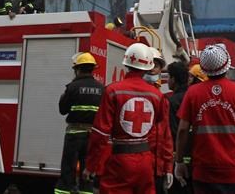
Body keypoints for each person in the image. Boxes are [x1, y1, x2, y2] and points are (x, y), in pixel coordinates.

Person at [175, 44, 235, 194]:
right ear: (226, 66)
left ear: (203, 68)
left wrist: (179, 162)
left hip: (204, 173)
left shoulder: (192, 93)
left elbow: (183, 130)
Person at [87, 43, 173, 193]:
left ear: (126, 63)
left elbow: (100, 133)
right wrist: (166, 166)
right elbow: (162, 131)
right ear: (148, 66)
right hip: (146, 162)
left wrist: (91, 165)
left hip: (119, 159)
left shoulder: (113, 91)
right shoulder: (158, 96)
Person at [56, 52, 104, 194]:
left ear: (77, 69)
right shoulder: (101, 89)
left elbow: (62, 110)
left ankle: (64, 191)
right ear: (92, 69)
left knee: (67, 170)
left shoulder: (72, 87)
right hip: (92, 137)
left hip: (74, 135)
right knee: (87, 172)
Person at [165, 62, 190, 193]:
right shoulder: (194, 96)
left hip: (178, 159)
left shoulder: (173, 101)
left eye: (169, 77)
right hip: (197, 159)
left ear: (174, 79)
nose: (168, 80)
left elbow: (173, 132)